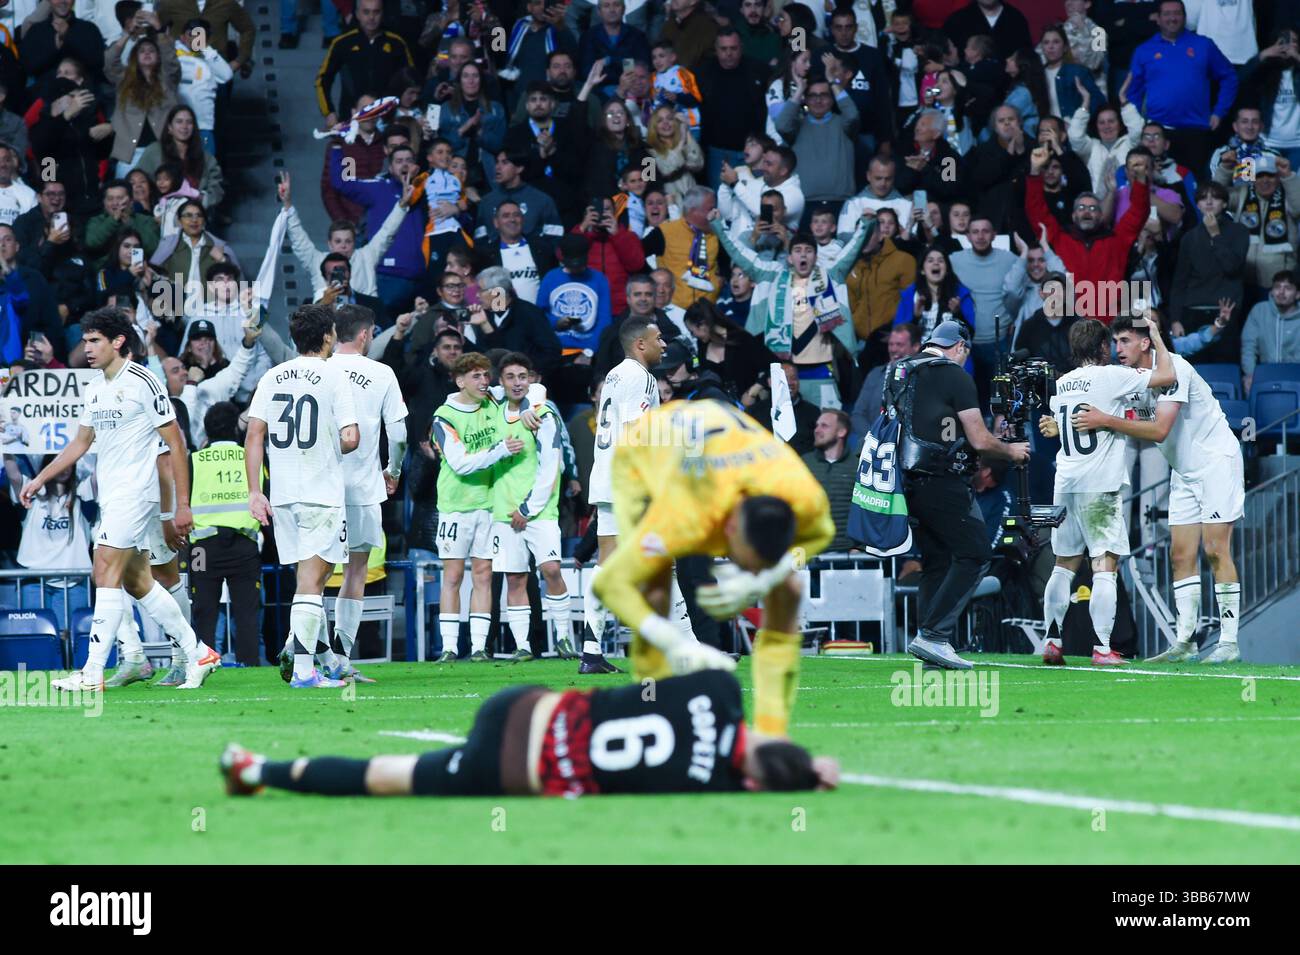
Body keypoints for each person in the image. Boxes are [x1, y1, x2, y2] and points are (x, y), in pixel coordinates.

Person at [592, 399, 834, 737]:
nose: (750, 574)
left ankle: (770, 733)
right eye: (748, 565)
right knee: (654, 586)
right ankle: (648, 702)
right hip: (643, 452)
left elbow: (823, 534)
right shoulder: (686, 515)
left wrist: (767, 576)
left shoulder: (802, 493)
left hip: (723, 447)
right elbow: (609, 585)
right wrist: (675, 644)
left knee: (787, 589)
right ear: (728, 531)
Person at [221, 669, 839, 797]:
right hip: (519, 770)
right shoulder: (716, 789)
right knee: (393, 776)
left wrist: (808, 763)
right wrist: (808, 781)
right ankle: (258, 770)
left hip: (526, 709)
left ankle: (257, 769)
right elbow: (755, 775)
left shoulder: (720, 691)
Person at [21, 307, 220, 692]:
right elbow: (81, 443)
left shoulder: (143, 381)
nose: (87, 348)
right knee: (137, 581)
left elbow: (176, 442)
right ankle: (199, 652)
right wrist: (40, 478)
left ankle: (93, 671)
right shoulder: (95, 387)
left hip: (137, 493)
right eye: (85, 340)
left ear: (118, 342)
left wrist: (182, 504)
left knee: (104, 571)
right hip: (111, 494)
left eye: (95, 340)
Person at [1069, 314, 1246, 664]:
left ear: (1145, 342)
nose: (1118, 349)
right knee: (1180, 555)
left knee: (1214, 549)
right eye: (1115, 342)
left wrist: (1105, 420)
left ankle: (1228, 642)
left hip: (1216, 464)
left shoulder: (1174, 368)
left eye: (1125, 341)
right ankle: (1185, 642)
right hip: (1183, 472)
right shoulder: (1131, 380)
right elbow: (1121, 420)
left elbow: (1160, 430)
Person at [890, 320, 1029, 670]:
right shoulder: (954, 374)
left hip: (906, 480)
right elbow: (981, 439)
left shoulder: (900, 371)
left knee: (936, 560)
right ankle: (934, 636)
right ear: (961, 347)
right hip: (941, 478)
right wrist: (1011, 451)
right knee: (976, 553)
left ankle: (931, 645)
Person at [1036, 317, 1174, 666]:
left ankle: (1052, 641)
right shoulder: (1111, 375)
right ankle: (1101, 648)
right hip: (1099, 485)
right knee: (1104, 565)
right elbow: (1167, 376)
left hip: (1065, 482)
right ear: (1102, 347)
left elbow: (1063, 425)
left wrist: (1055, 427)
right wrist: (1156, 336)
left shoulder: (1063, 383)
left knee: (1063, 565)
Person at [245, 304, 361, 689]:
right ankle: (304, 670)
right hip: (321, 492)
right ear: (328, 336)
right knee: (313, 582)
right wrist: (333, 445)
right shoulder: (334, 376)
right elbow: (351, 437)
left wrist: (254, 492)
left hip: (283, 496)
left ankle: (315, 652)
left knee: (314, 576)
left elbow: (254, 434)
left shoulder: (272, 376)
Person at [584, 316, 700, 673]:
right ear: (640, 344)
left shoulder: (616, 375)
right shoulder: (640, 377)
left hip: (606, 476)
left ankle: (591, 651)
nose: (664, 344)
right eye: (659, 338)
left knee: (606, 562)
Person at [428, 352, 528, 664]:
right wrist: (499, 450)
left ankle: (479, 647)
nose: (485, 381)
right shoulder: (444, 417)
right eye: (476, 376)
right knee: (454, 575)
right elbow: (460, 464)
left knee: (484, 574)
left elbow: (533, 390)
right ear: (460, 381)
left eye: (486, 375)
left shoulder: (492, 402)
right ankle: (448, 647)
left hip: (488, 503)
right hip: (456, 505)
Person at [326, 304, 407, 683]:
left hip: (319, 486)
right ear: (364, 334)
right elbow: (401, 434)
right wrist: (392, 471)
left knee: (314, 569)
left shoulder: (317, 370)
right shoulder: (381, 373)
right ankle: (340, 658)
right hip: (361, 486)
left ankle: (304, 648)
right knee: (356, 569)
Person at [490, 352, 577, 662]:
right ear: (500, 382)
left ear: (532, 379)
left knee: (551, 570)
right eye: (510, 377)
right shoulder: (494, 411)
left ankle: (565, 638)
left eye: (523, 377)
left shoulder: (544, 416)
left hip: (538, 512)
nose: (517, 383)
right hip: (503, 511)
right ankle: (523, 645)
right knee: (514, 578)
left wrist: (526, 509)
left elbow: (551, 468)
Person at [1123, 0, 1237, 175]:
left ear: (1184, 17)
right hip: (1159, 134)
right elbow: (1134, 93)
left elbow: (1229, 77)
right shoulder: (1144, 50)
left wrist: (1219, 112)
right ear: (1158, 19)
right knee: (1161, 189)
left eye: (1177, 13)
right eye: (1167, 14)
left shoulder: (1203, 45)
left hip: (1196, 131)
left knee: (1195, 187)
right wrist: (1139, 127)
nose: (1172, 18)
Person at [187, 402, 262, 666]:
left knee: (203, 609)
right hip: (245, 545)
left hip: (201, 549)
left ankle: (203, 664)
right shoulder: (250, 458)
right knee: (247, 613)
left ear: (207, 430)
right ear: (234, 428)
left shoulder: (194, 461)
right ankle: (251, 666)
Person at [315, 0, 414, 129]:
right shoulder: (342, 43)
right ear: (357, 14)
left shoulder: (397, 43)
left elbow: (411, 81)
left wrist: (404, 110)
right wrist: (328, 112)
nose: (371, 17)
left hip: (388, 121)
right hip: (350, 120)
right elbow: (322, 80)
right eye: (366, 12)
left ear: (383, 13)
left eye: (376, 12)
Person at [801, 409, 856, 552]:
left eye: (824, 426)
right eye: (817, 425)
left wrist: (860, 548)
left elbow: (869, 511)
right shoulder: (804, 464)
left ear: (841, 432)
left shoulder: (858, 466)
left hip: (849, 556)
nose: (817, 430)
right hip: (810, 553)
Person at [1241, 270, 1300, 394]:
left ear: (1297, 294)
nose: (1281, 292)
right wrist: (1250, 374)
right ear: (1272, 291)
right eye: (1277, 287)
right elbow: (1248, 346)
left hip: (1296, 372)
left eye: (1288, 288)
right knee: (1248, 382)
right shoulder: (1259, 310)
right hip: (1265, 372)